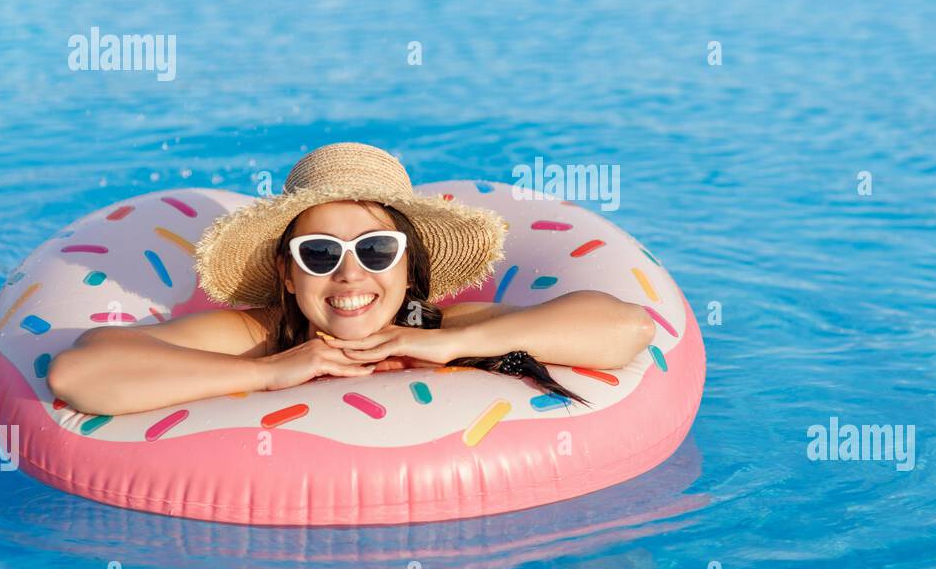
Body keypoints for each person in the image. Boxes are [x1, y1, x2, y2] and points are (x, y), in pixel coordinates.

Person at [47, 142, 655, 416]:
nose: (349, 272)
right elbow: (80, 373)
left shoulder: (440, 326)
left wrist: (447, 345)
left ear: (409, 265)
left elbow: (626, 328)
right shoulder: (258, 337)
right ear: (286, 275)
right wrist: (268, 373)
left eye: (376, 248)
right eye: (318, 252)